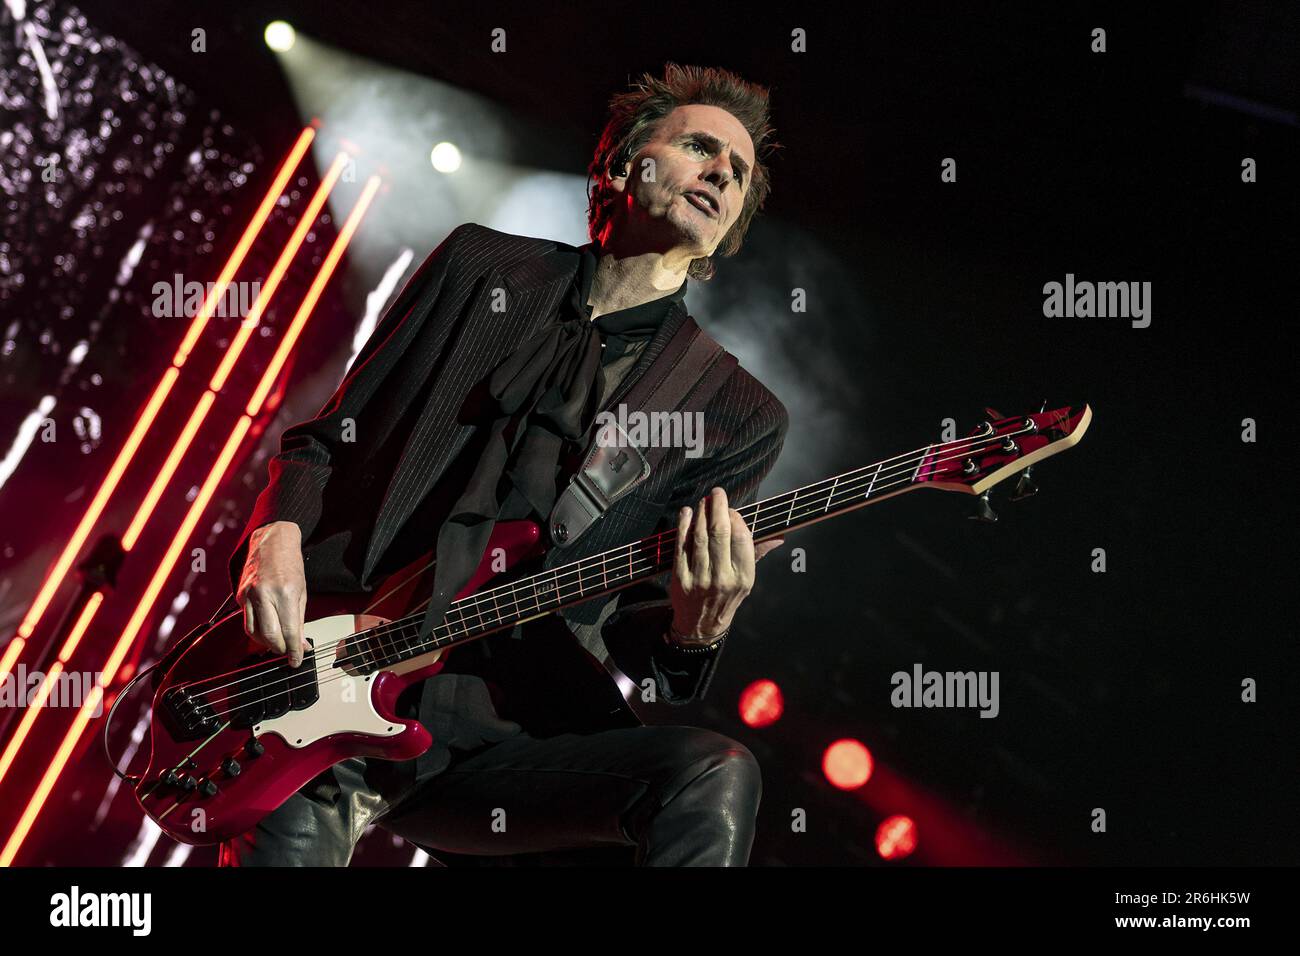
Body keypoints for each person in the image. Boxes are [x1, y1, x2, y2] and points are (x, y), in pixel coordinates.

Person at [222, 63, 789, 867]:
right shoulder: (480, 266)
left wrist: (701, 629)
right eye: (701, 146)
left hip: (502, 741)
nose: (724, 172)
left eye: (739, 173)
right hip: (329, 677)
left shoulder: (733, 411)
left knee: (713, 776)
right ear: (623, 165)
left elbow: (647, 658)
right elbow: (331, 437)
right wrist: (273, 531)